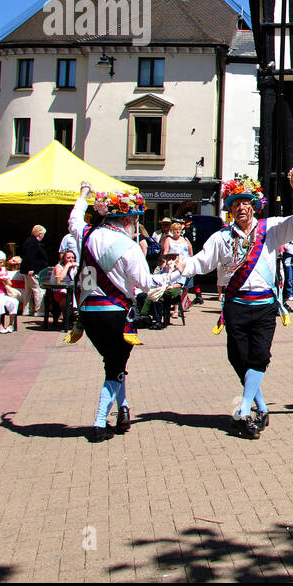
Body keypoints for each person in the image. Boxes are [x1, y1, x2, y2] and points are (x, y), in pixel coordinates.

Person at [179, 172, 293, 438]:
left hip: (264, 306)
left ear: (254, 205)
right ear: (229, 209)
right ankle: (261, 407)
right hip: (236, 306)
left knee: (259, 357)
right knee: (239, 359)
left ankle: (242, 412)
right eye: (235, 204)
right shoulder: (221, 237)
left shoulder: (271, 229)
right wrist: (182, 266)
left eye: (245, 202)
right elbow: (202, 262)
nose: (241, 208)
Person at [69, 184, 185, 442]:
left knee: (113, 362)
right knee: (114, 367)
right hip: (115, 315)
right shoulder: (129, 246)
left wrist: (82, 196)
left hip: (87, 313)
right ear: (126, 218)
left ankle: (123, 409)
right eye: (134, 218)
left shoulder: (86, 235)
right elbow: (148, 284)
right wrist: (177, 273)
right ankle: (99, 423)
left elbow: (74, 220)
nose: (135, 223)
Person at [160, 219, 199, 306]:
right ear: (172, 231)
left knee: (185, 287)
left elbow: (191, 252)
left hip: (186, 265)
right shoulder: (168, 240)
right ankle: (172, 306)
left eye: (179, 229)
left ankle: (181, 306)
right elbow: (165, 253)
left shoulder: (185, 240)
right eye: (175, 229)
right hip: (173, 265)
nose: (177, 231)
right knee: (173, 286)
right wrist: (172, 258)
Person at [18, 225, 50, 316]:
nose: (44, 236)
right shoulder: (33, 242)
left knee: (28, 291)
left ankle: (27, 310)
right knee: (38, 290)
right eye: (43, 234)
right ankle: (39, 310)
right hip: (33, 270)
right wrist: (31, 268)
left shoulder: (29, 241)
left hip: (27, 270)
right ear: (39, 234)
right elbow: (30, 256)